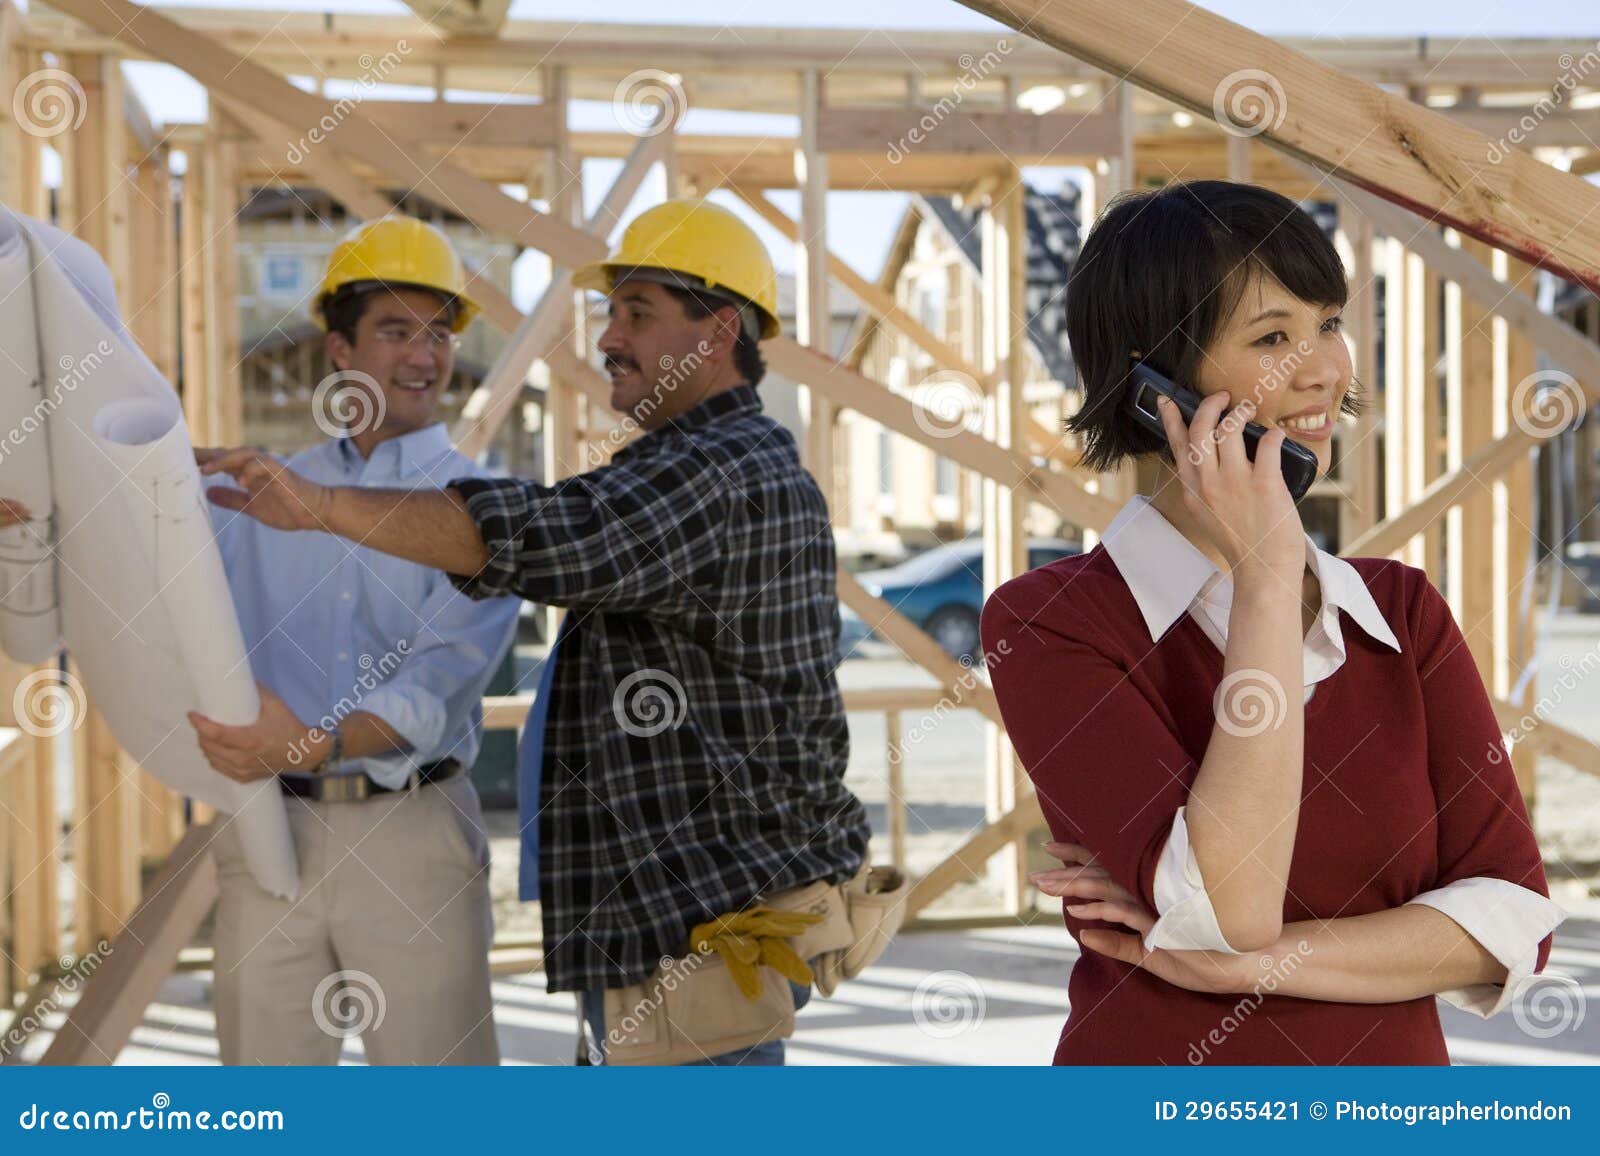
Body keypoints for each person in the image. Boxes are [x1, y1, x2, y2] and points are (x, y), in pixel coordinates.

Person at [197, 199, 872, 1066]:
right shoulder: (690, 465)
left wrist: (323, 511)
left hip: (696, 920)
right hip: (666, 918)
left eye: (638, 313)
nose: (608, 340)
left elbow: (557, 538)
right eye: (611, 313)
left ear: (719, 331)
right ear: (342, 348)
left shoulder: (722, 471)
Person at [981, 180, 1564, 1065]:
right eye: (1273, 337)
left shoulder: (1400, 613)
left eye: (1328, 323)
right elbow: (1231, 906)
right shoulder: (1050, 622)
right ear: (1156, 380)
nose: (1327, 366)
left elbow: (1515, 922)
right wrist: (1263, 579)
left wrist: (1242, 968)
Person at [188, 217, 519, 1065]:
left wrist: (308, 741)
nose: (424, 356)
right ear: (340, 350)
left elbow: (440, 683)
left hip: (409, 835)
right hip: (269, 833)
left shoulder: (484, 508)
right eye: (396, 331)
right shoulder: (257, 497)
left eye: (439, 333)